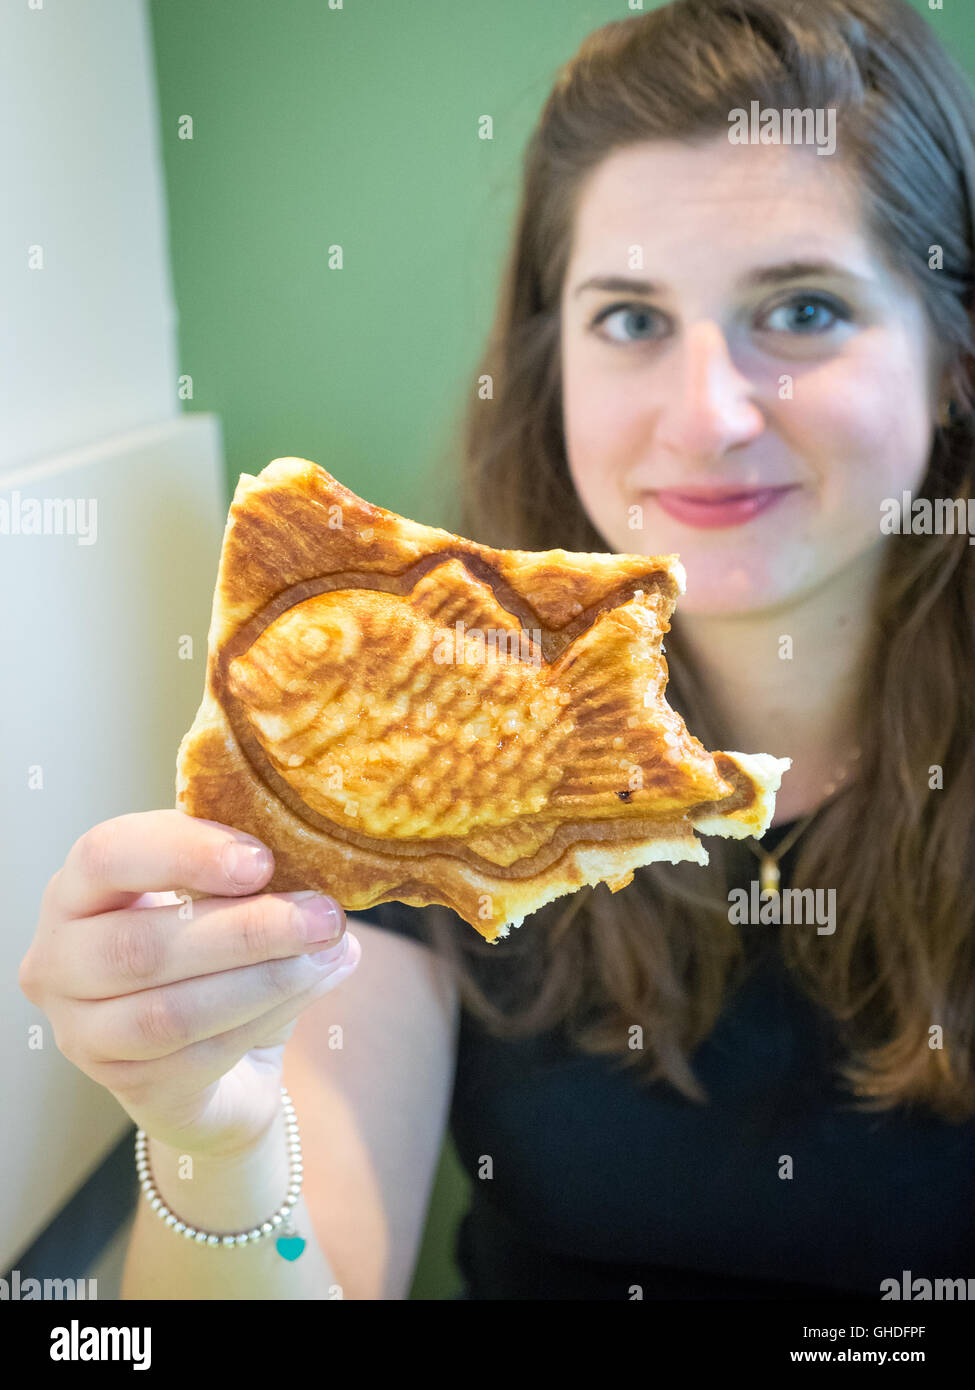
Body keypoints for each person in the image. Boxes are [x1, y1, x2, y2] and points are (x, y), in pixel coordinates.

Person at [19, 0, 975, 1301]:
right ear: (555, 362)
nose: (707, 413)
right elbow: (316, 1270)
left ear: (951, 360)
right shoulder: (417, 752)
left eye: (802, 309)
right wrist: (215, 1135)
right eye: (632, 320)